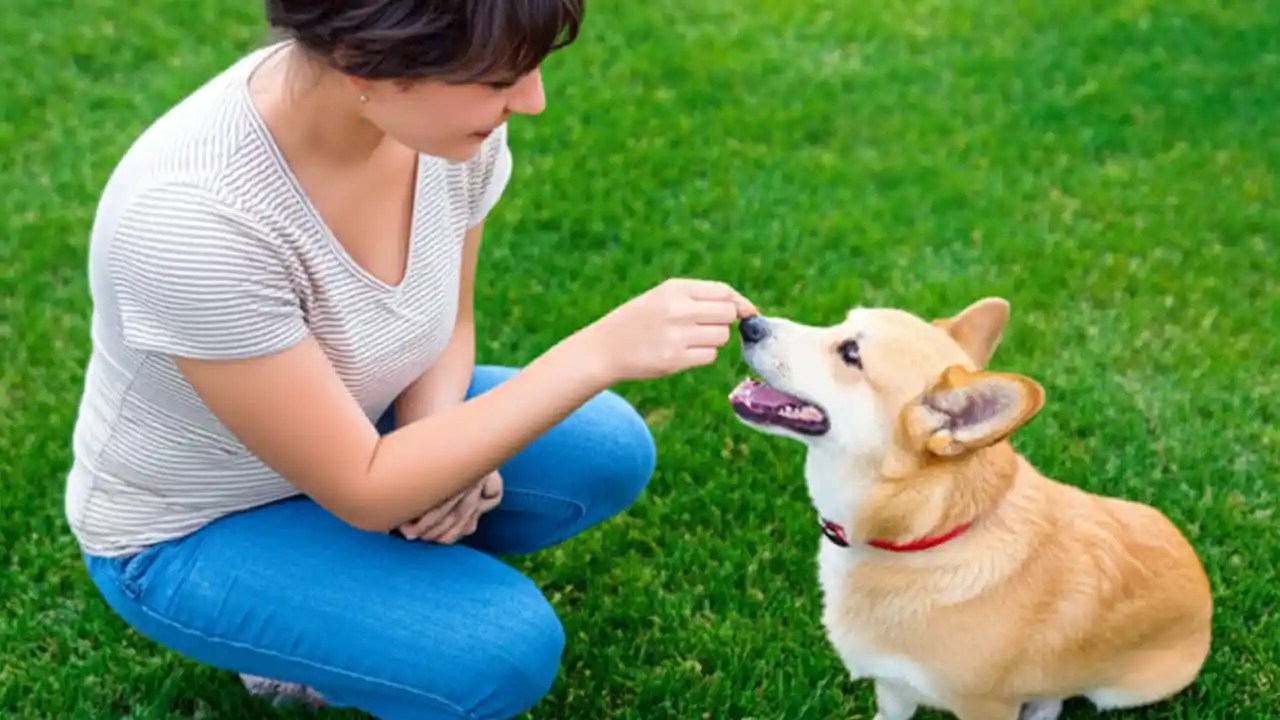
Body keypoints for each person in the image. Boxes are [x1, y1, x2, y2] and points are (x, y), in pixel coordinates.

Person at [65, 1, 756, 718]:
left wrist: (439, 448)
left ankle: (355, 600)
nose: (533, 100)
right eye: (499, 79)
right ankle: (296, 634)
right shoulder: (195, 222)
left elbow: (447, 321)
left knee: (603, 447)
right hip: (195, 526)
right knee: (499, 650)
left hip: (358, 437)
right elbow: (365, 490)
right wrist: (596, 354)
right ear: (372, 62)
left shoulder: (444, 132)